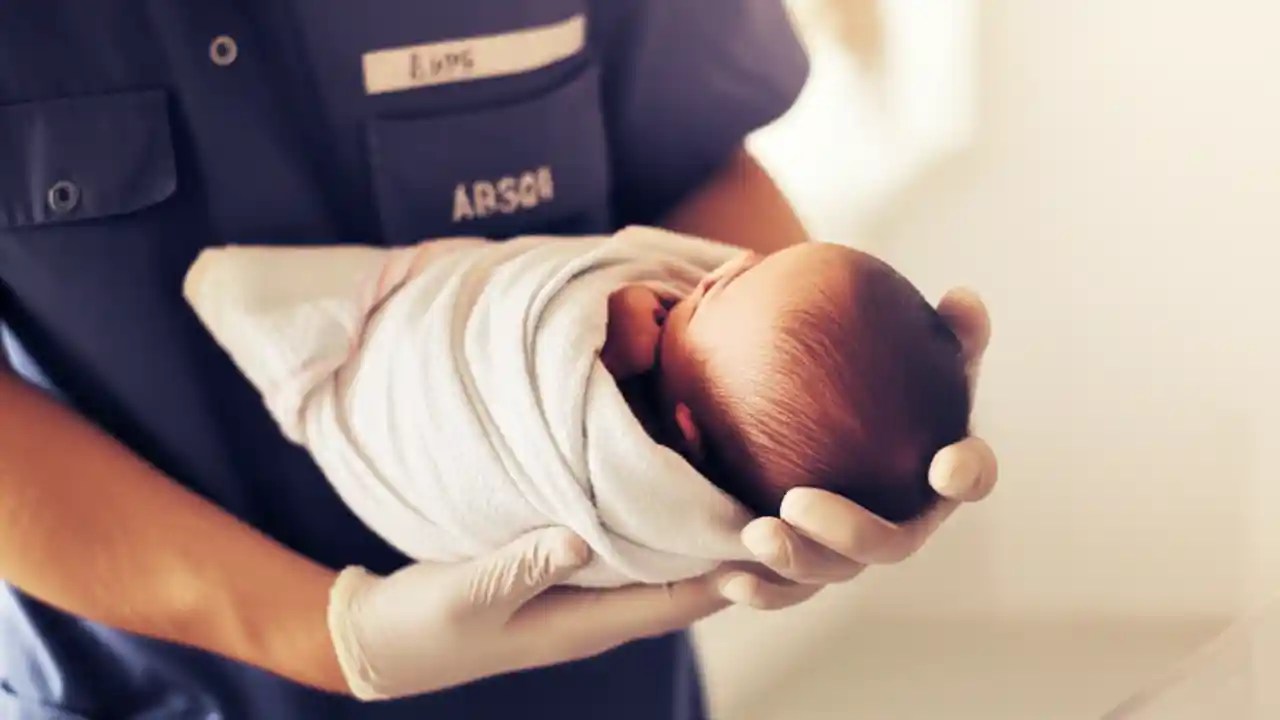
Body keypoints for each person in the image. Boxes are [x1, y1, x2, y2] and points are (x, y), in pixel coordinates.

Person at [0, 2, 998, 718]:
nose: (708, 279)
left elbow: (694, 163)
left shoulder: (638, 364)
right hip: (153, 681)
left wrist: (809, 446)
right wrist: (327, 633)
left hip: (590, 681)